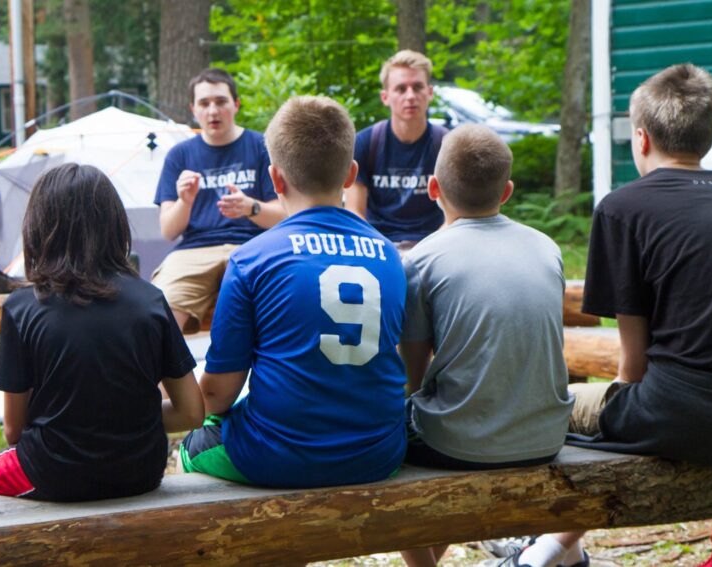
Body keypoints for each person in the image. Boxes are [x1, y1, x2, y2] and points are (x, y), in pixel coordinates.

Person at [495, 64, 712, 567]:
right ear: (710, 136)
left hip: (677, 414)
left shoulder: (624, 208)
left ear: (641, 138)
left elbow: (632, 367)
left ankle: (543, 550)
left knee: (552, 406)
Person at [179, 95, 408, 488]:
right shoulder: (390, 254)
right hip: (378, 455)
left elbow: (216, 395)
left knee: (193, 444)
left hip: (279, 459)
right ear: (351, 174)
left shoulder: (252, 259)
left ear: (275, 179)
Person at [0, 163, 204, 502]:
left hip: (52, 472)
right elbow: (192, 413)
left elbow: (14, 431)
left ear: (38, 227)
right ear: (115, 225)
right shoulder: (151, 300)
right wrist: (124, 418)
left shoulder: (22, 307)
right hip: (141, 472)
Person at [395, 125, 573, 567]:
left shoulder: (422, 259)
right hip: (545, 438)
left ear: (433, 189)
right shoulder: (547, 248)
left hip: (458, 445)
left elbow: (412, 379)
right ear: (507, 192)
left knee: (382, 443)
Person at [153, 68, 286, 334]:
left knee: (282, 306)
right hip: (193, 252)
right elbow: (168, 230)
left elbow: (285, 215)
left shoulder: (262, 146)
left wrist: (251, 207)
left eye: (221, 101)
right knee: (159, 314)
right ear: (193, 109)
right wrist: (184, 202)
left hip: (253, 246)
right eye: (204, 103)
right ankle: (168, 364)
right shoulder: (179, 155)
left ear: (236, 104)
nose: (213, 111)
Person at [345, 50, 448, 252]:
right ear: (385, 97)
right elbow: (355, 213)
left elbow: (457, 215)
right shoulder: (365, 142)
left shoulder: (447, 144)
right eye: (401, 89)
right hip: (379, 245)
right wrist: (381, 252)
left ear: (430, 92)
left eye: (417, 87)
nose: (410, 96)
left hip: (434, 246)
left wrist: (429, 250)